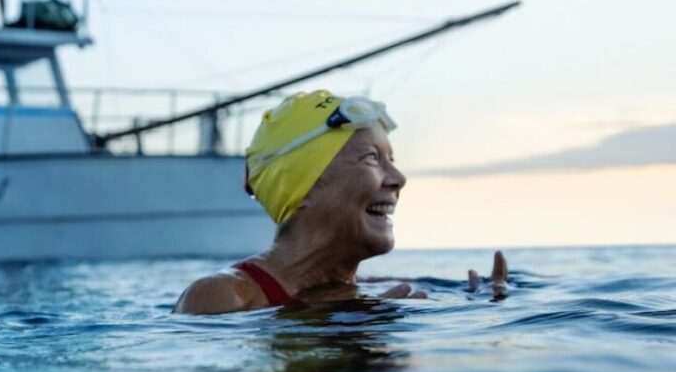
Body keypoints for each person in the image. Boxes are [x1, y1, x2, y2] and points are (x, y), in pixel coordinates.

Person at [175, 90, 508, 314]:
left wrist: (480, 303)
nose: (398, 178)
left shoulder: (372, 288)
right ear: (301, 187)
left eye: (392, 160)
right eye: (371, 158)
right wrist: (346, 326)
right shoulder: (222, 297)